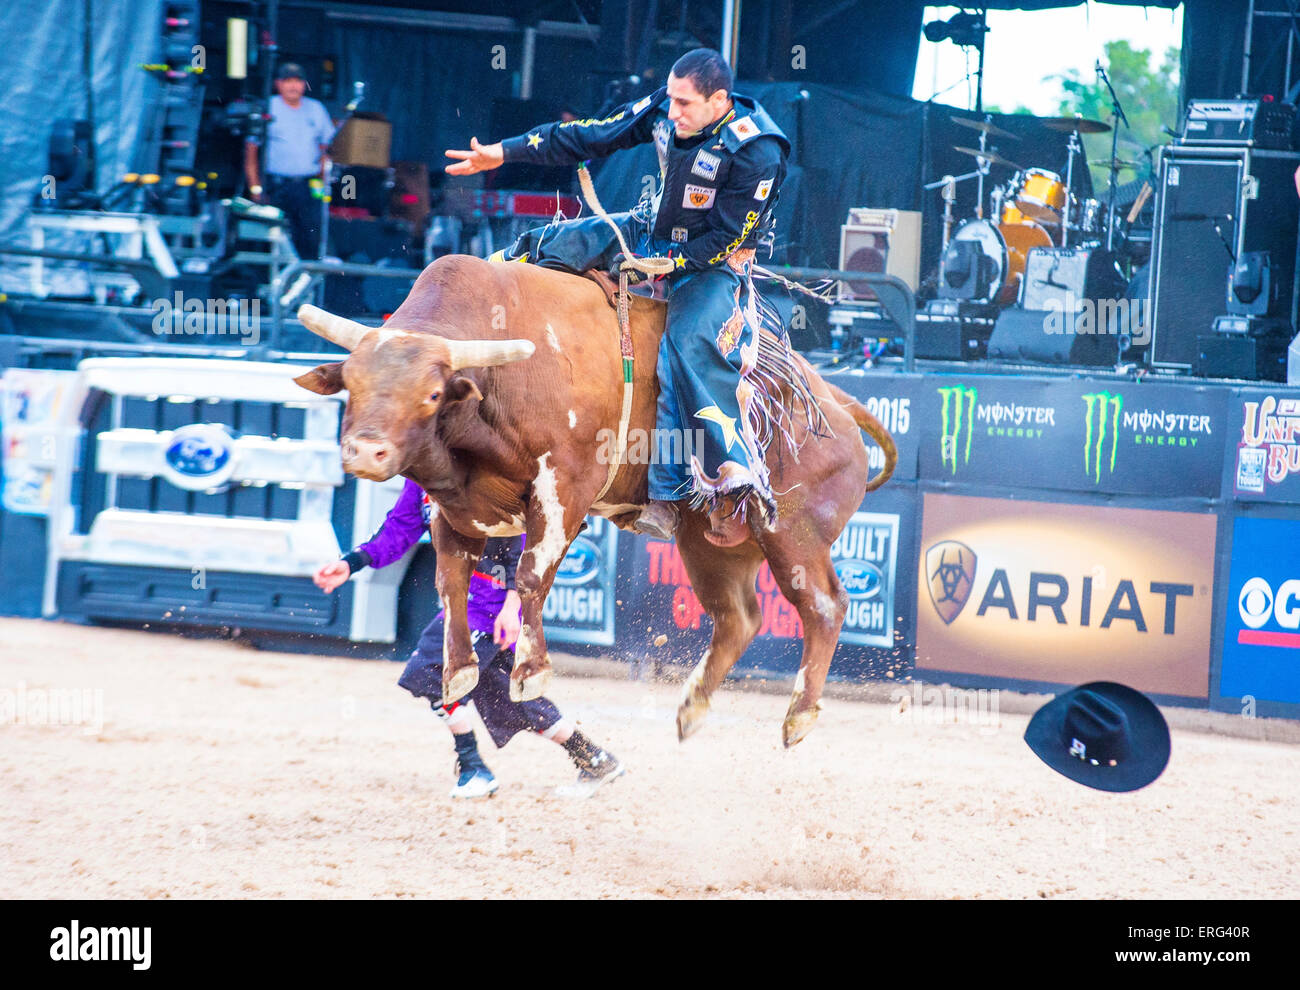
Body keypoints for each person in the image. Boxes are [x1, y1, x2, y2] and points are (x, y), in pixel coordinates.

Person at [444, 48, 790, 545]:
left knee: (687, 345)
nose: (672, 113)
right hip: (650, 231)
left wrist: (671, 265)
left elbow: (730, 237)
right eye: (670, 100)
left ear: (720, 100)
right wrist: (504, 151)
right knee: (544, 246)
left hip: (712, 265)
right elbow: (591, 134)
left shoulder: (759, 151)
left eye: (685, 104)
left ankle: (680, 491)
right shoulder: (667, 107)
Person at [313, 478, 626, 799]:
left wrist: (512, 604)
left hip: (489, 604)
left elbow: (522, 537)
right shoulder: (419, 480)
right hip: (466, 599)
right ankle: (595, 760)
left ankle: (473, 767)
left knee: (429, 673)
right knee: (514, 699)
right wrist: (350, 563)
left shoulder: (476, 467)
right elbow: (398, 529)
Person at [243, 62, 336, 259]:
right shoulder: (267, 107)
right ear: (278, 84)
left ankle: (308, 281)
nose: (293, 86)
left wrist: (322, 182)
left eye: (298, 81)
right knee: (274, 237)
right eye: (288, 81)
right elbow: (251, 152)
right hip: (276, 185)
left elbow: (325, 149)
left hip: (307, 186)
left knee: (310, 236)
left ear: (304, 84)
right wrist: (255, 188)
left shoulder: (316, 109)